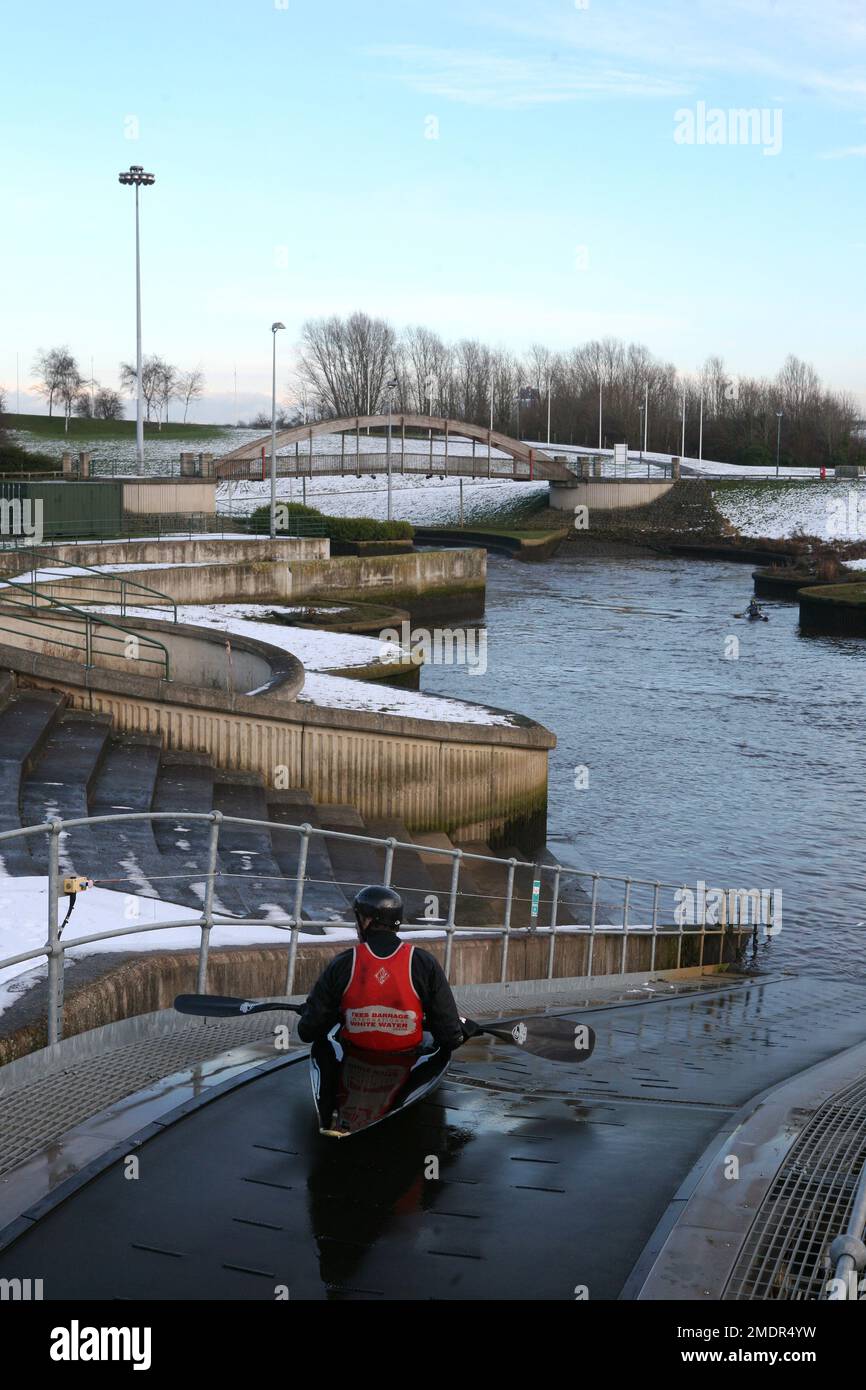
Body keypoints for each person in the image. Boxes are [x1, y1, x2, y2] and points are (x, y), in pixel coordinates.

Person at [297, 884, 471, 1052]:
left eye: (358, 919)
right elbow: (450, 1038)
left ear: (366, 921)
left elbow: (307, 1031)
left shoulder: (343, 963)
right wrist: (463, 1030)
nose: (356, 926)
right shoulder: (424, 963)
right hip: (407, 1061)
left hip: (355, 1058)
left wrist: (313, 1013)